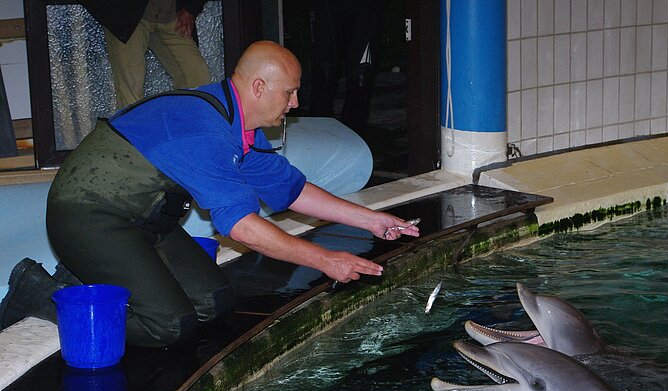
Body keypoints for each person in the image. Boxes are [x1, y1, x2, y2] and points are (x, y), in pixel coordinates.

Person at [0, 41, 418, 347]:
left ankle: (93, 274)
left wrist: (374, 220)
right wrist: (326, 260)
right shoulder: (205, 131)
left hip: (144, 222)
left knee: (214, 300)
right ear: (258, 87)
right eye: (289, 91)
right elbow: (244, 229)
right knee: (167, 325)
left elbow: (289, 191)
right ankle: (38, 292)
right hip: (89, 219)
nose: (295, 102)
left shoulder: (235, 122)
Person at [80, 0, 211, 109]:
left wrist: (191, 8)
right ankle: (133, 138)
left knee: (197, 77)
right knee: (131, 91)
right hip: (126, 15)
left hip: (171, 14)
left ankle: (191, 133)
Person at [309, 0, 382, 136]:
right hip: (327, 6)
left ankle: (354, 145)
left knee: (362, 77)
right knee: (325, 75)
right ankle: (318, 143)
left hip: (367, 7)